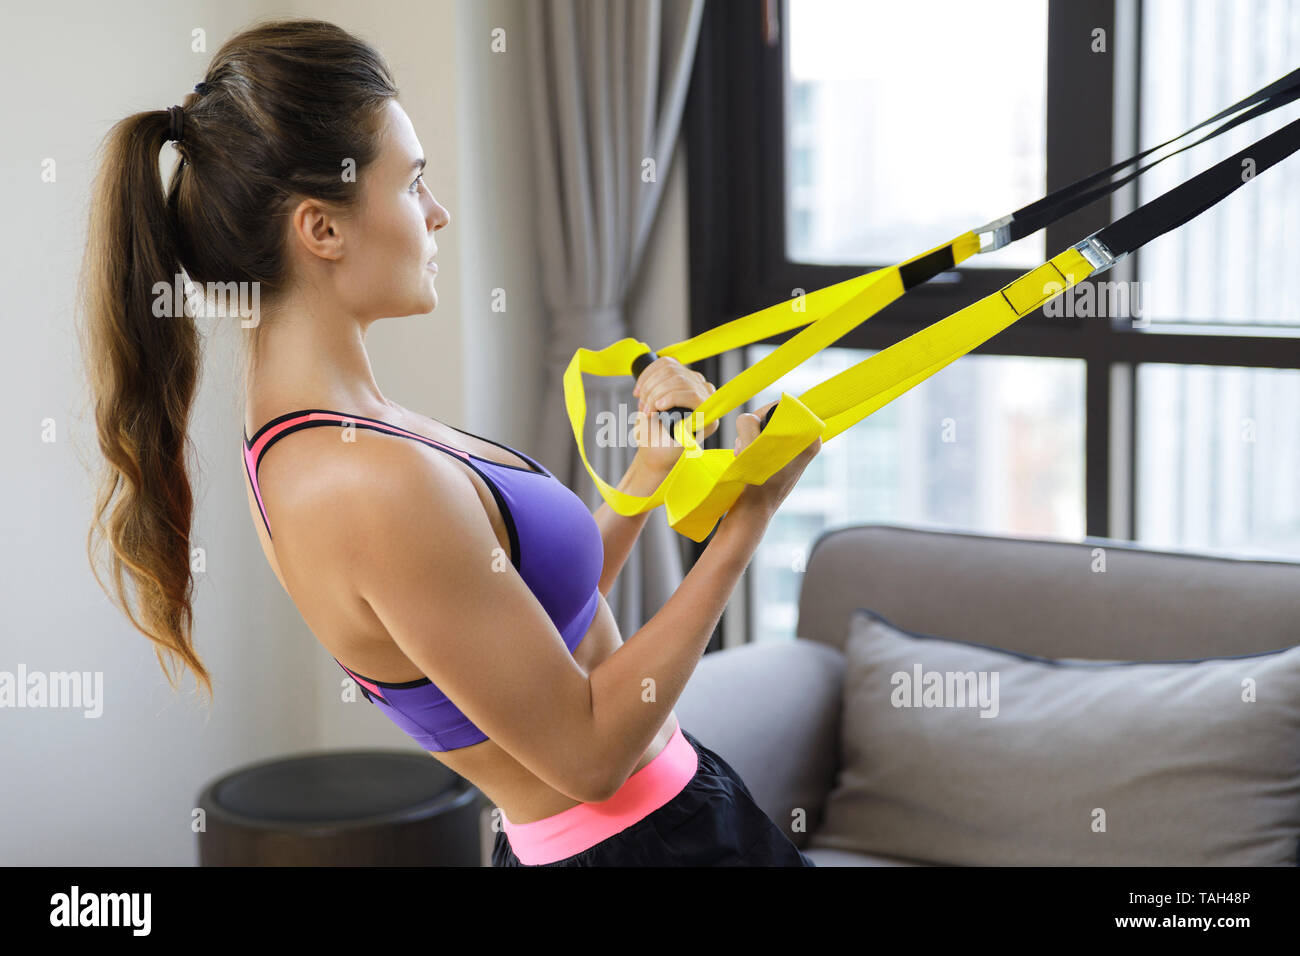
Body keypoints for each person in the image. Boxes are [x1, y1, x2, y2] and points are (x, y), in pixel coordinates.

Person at [80, 17, 822, 867]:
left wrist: (648, 475)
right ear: (322, 230)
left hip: (676, 819)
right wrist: (748, 523)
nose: (437, 215)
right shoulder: (358, 482)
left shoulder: (348, 430)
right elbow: (587, 755)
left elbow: (526, 619)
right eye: (414, 184)